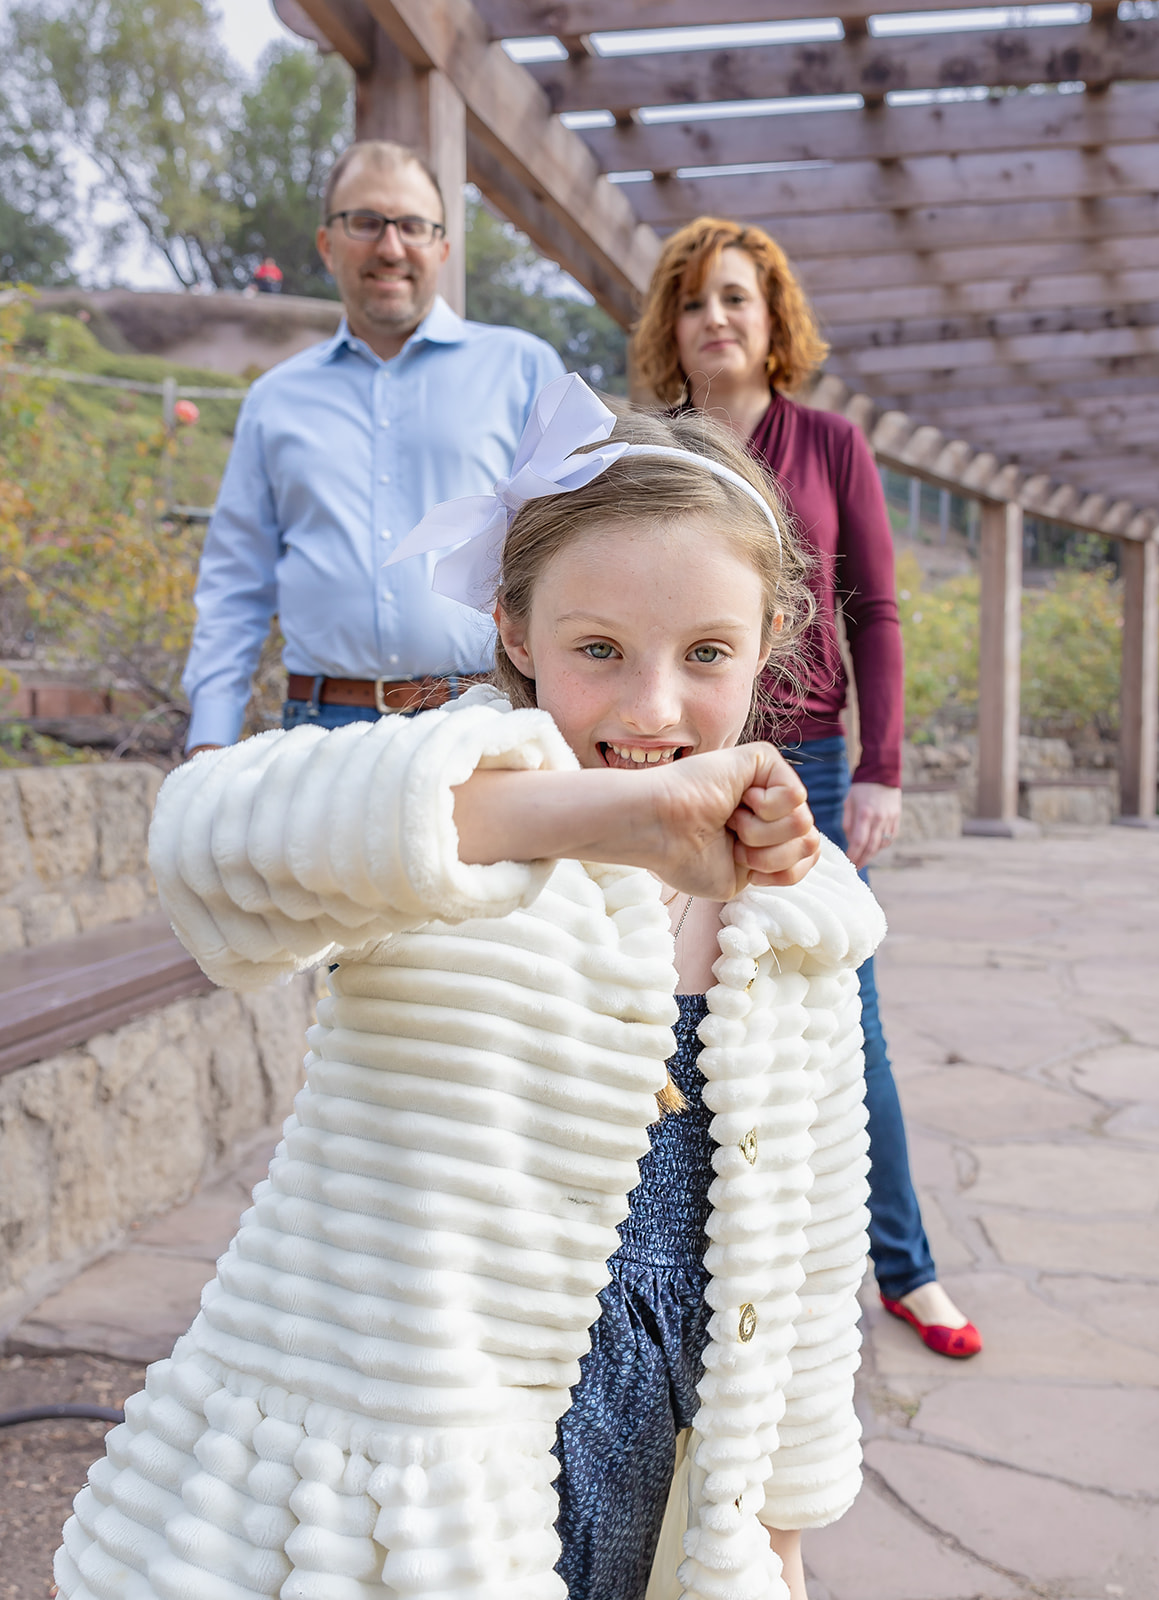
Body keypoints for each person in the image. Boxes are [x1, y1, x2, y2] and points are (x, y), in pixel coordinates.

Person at [54, 377, 885, 1600]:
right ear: (513, 629)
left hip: (655, 1456)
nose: (650, 708)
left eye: (705, 654)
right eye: (597, 649)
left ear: (768, 647)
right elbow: (204, 843)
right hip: (400, 1487)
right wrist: (608, 814)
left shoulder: (799, 922)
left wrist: (780, 1537)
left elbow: (809, 1273)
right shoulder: (454, 827)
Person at [632, 218, 981, 1360]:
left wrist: (881, 766)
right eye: (693, 302)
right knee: (668, 996)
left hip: (810, 766)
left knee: (847, 1014)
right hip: (675, 759)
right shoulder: (652, 451)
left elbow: (873, 611)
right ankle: (676, 1258)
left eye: (736, 298)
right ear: (669, 329)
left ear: (771, 321)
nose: (715, 318)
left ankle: (905, 1268)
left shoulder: (829, 444)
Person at [182, 138, 565, 757]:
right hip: (319, 734)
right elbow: (235, 583)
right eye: (366, 223)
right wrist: (208, 738)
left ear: (442, 246)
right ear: (327, 244)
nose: (390, 247)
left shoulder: (523, 369)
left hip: (479, 721)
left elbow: (576, 548)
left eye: (412, 226)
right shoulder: (274, 401)